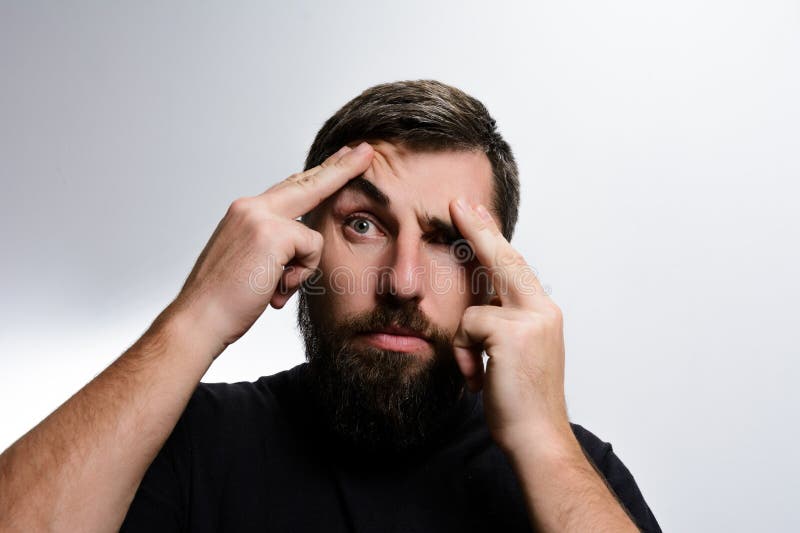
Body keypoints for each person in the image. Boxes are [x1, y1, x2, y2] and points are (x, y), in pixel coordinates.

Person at [0, 80, 661, 532]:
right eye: (364, 225)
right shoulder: (191, 444)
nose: (402, 281)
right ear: (302, 241)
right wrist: (196, 317)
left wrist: (545, 443)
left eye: (447, 241)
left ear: (492, 278)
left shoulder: (575, 474)